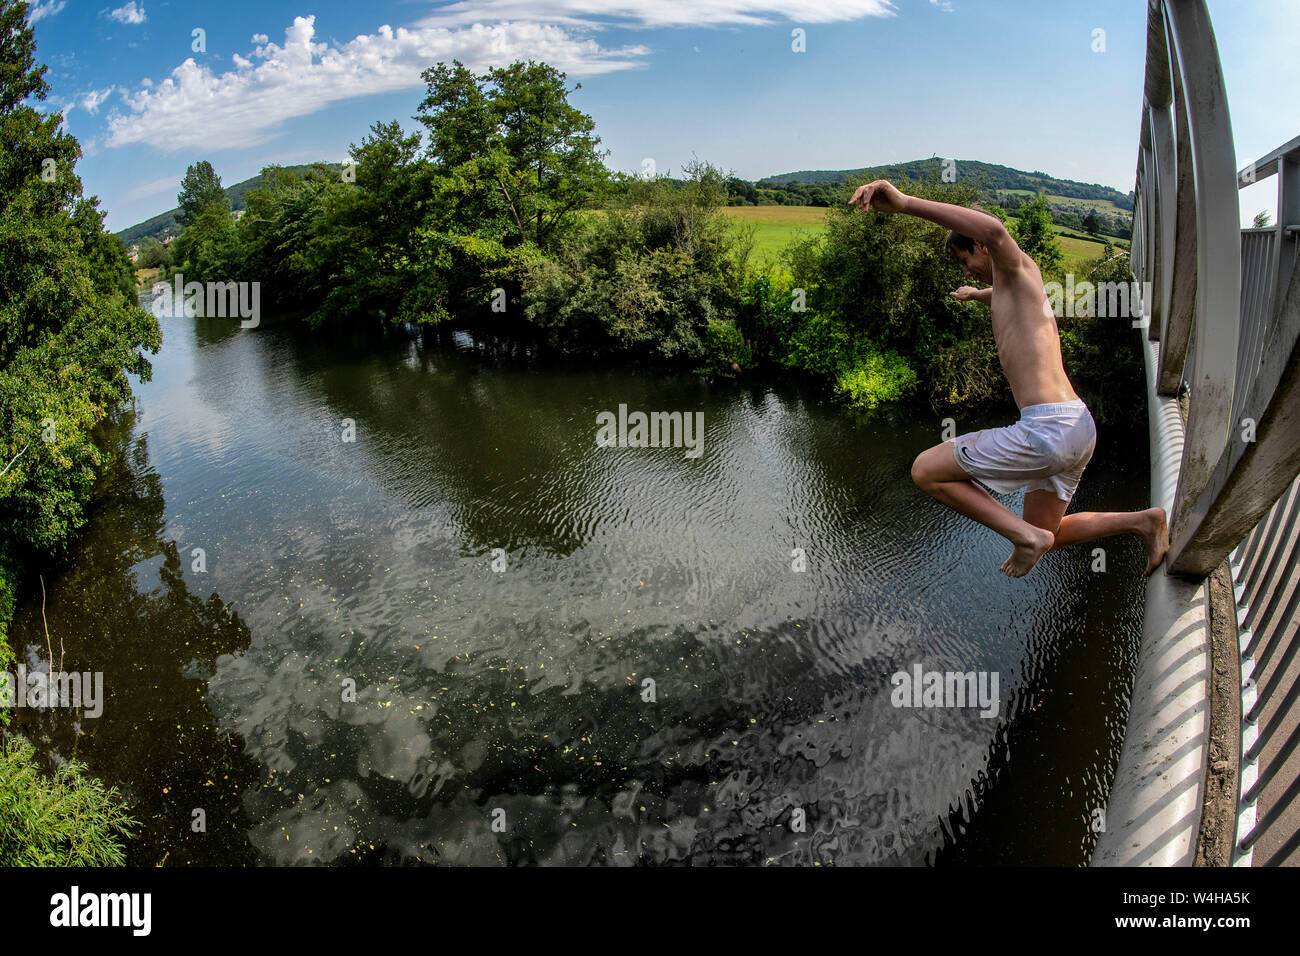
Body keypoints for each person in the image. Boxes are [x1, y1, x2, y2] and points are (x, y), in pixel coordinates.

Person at [848, 179, 1168, 578]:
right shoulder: (1017, 281)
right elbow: (1002, 292)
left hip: (1047, 429)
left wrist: (905, 203)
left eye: (966, 261)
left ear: (980, 246)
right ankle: (1144, 522)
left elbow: (994, 229)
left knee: (925, 470)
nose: (968, 270)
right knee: (1045, 531)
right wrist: (974, 294)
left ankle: (1024, 539)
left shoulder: (1006, 256)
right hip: (1078, 427)